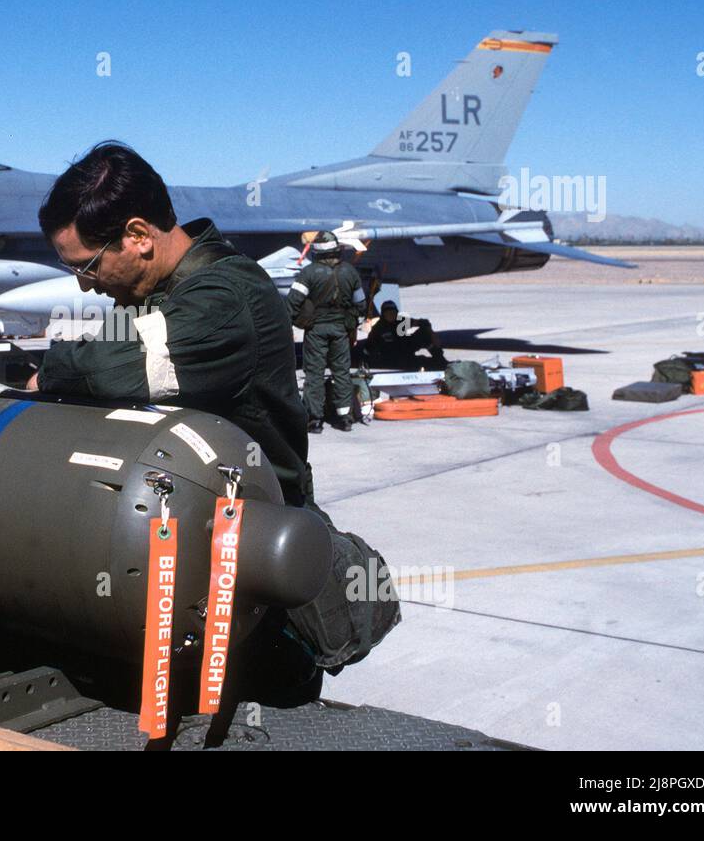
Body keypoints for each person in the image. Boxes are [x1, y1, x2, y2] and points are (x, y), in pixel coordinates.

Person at [27, 142, 398, 706]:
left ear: (138, 235)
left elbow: (114, 366)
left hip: (255, 594)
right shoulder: (163, 290)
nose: (85, 284)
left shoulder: (224, 296)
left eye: (87, 264)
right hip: (196, 563)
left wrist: (46, 373)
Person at [287, 232, 365, 433]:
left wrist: (290, 324)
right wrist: (350, 322)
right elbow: (361, 304)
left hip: (315, 330)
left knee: (314, 374)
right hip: (340, 330)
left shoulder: (308, 273)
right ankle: (345, 419)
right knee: (341, 372)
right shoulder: (350, 272)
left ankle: (315, 420)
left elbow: (293, 301)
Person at [362, 300, 446, 370]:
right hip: (391, 359)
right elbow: (368, 347)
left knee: (423, 333)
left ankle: (441, 360)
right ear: (383, 314)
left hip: (405, 351)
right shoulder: (378, 329)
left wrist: (431, 334)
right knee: (421, 362)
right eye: (388, 312)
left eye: (393, 312)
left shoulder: (400, 322)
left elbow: (423, 322)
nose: (391, 315)